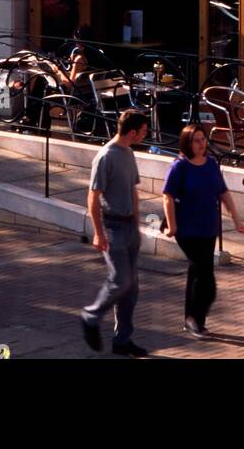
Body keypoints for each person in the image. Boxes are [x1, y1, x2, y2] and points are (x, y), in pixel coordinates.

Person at [162, 124, 244, 338]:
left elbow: (223, 192)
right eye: (197, 140)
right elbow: (168, 196)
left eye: (203, 139)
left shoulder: (210, 164)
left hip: (209, 228)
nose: (202, 143)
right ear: (187, 143)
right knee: (206, 278)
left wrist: (236, 219)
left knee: (196, 271)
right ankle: (196, 320)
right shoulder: (179, 167)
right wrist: (172, 226)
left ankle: (192, 319)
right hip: (187, 230)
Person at [81, 108, 149, 357]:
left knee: (132, 287)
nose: (146, 134)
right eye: (143, 131)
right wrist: (98, 233)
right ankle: (91, 315)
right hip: (112, 227)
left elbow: (133, 190)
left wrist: (137, 224)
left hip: (129, 226)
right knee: (120, 279)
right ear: (132, 132)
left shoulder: (129, 153)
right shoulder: (106, 156)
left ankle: (122, 340)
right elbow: (93, 196)